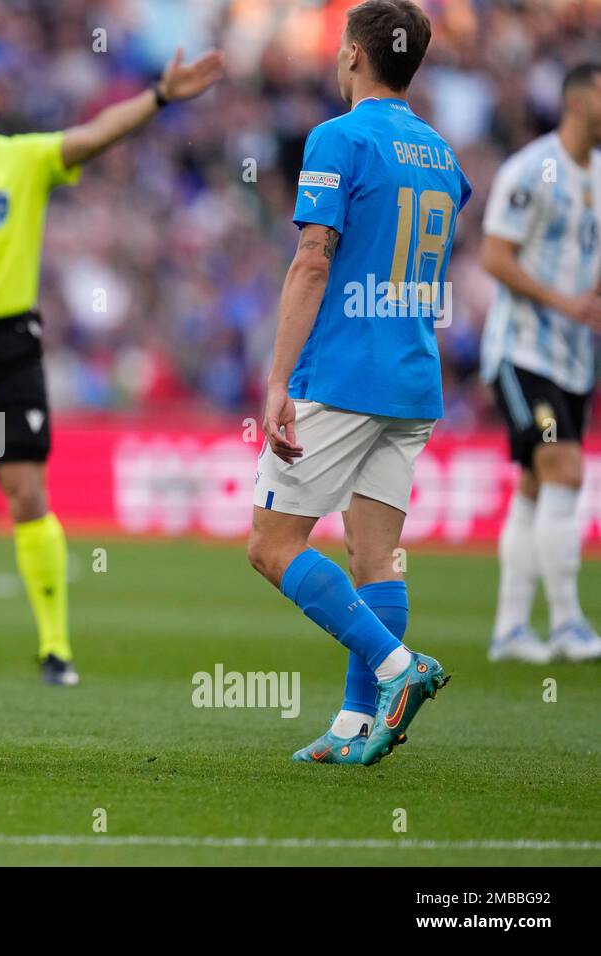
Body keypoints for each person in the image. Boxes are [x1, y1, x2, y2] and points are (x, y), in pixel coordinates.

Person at [0, 44, 223, 686]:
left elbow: (96, 135)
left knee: (25, 494)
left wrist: (158, 95)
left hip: (10, 345)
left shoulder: (23, 157)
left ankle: (55, 648)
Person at [245, 0, 471, 765]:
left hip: (342, 373)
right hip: (412, 375)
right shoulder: (442, 153)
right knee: (375, 559)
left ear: (350, 56)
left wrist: (277, 380)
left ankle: (401, 669)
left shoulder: (337, 138)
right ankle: (352, 726)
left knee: (271, 545)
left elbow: (315, 256)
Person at [481, 62, 601, 664]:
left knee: (535, 481)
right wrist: (566, 303)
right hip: (523, 350)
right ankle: (567, 622)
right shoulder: (532, 170)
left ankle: (509, 631)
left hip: (575, 358)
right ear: (579, 102)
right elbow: (494, 256)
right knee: (564, 467)